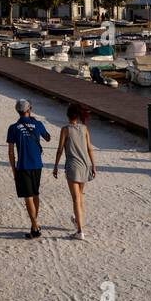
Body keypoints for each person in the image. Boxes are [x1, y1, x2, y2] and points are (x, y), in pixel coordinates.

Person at [6, 99, 51, 239]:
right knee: (35, 194)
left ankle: (35, 226)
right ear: (29, 109)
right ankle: (34, 225)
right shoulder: (37, 124)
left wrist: (14, 169)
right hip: (37, 164)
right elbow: (48, 138)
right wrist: (35, 123)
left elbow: (11, 152)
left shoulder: (13, 128)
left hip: (23, 165)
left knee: (28, 197)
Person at [53, 103, 98, 240]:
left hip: (73, 167)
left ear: (68, 115)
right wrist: (93, 165)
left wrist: (55, 165)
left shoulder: (65, 129)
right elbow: (90, 148)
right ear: (77, 116)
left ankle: (80, 231)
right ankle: (77, 220)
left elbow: (60, 149)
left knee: (76, 199)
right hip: (85, 166)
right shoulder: (84, 128)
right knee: (80, 197)